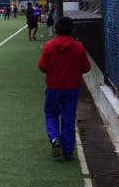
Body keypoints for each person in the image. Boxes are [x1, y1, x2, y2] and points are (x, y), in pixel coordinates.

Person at [39, 17, 91, 161]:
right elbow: (86, 67)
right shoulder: (78, 47)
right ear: (72, 31)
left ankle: (55, 138)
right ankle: (68, 150)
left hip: (53, 88)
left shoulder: (49, 46)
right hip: (71, 89)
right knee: (68, 118)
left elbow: (42, 67)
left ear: (56, 30)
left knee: (51, 114)